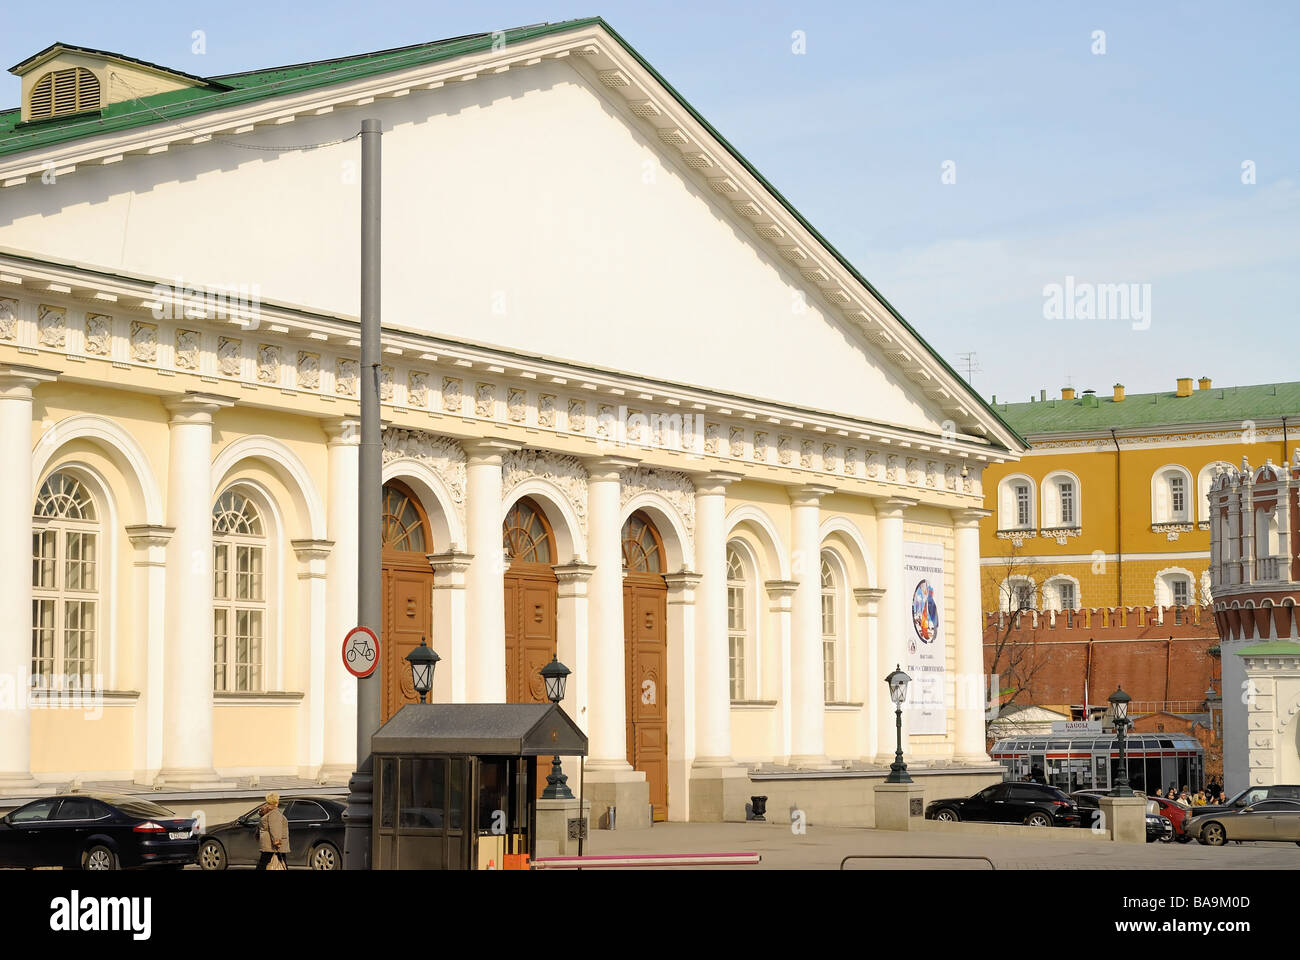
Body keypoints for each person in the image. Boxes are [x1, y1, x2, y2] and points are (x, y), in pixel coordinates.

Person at [256, 792, 290, 870]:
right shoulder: (274, 813)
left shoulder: (266, 812)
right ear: (276, 801)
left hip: (267, 844)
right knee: (282, 864)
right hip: (273, 845)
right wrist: (277, 843)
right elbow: (275, 829)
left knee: (263, 863)